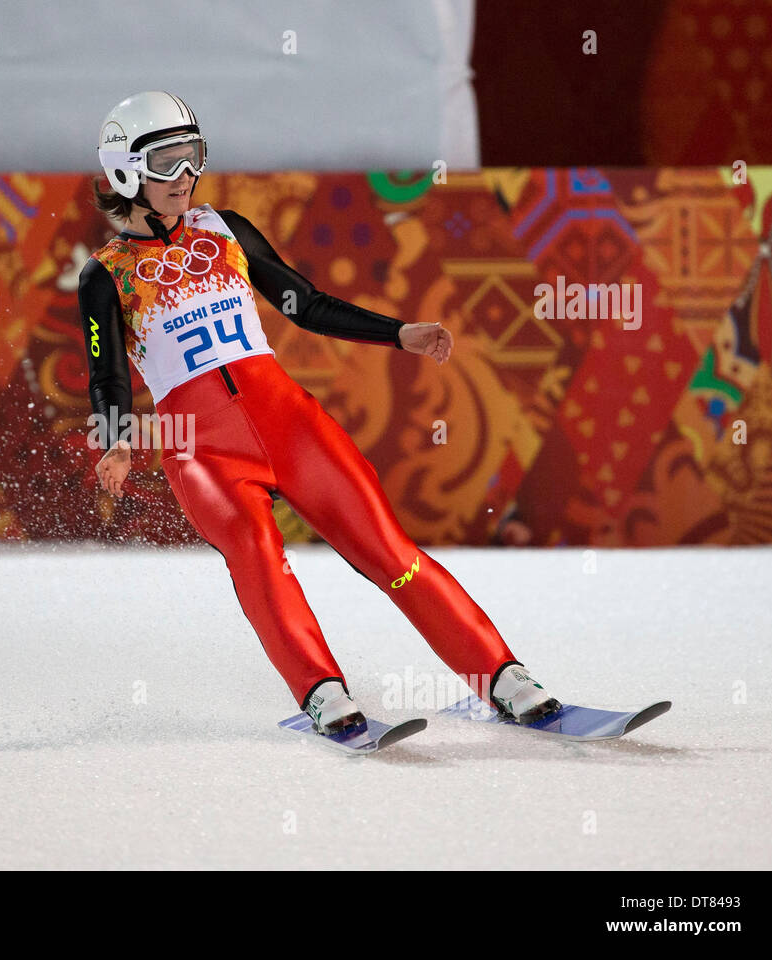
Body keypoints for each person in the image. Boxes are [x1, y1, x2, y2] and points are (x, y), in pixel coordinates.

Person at [78, 91, 559, 734]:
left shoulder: (226, 228)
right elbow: (105, 372)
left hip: (292, 424)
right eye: (166, 163)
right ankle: (322, 692)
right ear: (123, 173)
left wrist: (399, 333)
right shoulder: (105, 272)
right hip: (204, 449)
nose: (184, 177)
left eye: (192, 157)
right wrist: (114, 441)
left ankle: (502, 676)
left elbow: (306, 304)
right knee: (257, 552)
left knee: (389, 549)